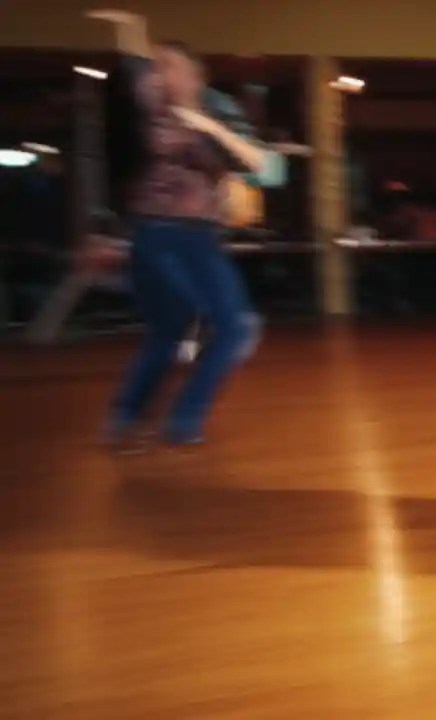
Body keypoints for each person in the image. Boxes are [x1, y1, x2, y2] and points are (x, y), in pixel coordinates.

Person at [90, 9, 268, 449]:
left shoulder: (216, 115)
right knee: (169, 332)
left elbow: (258, 161)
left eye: (169, 65)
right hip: (154, 235)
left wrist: (207, 126)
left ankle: (183, 419)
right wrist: (130, 28)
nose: (158, 73)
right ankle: (127, 415)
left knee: (232, 327)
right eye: (157, 66)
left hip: (199, 239)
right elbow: (134, 65)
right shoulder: (156, 108)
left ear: (195, 76)